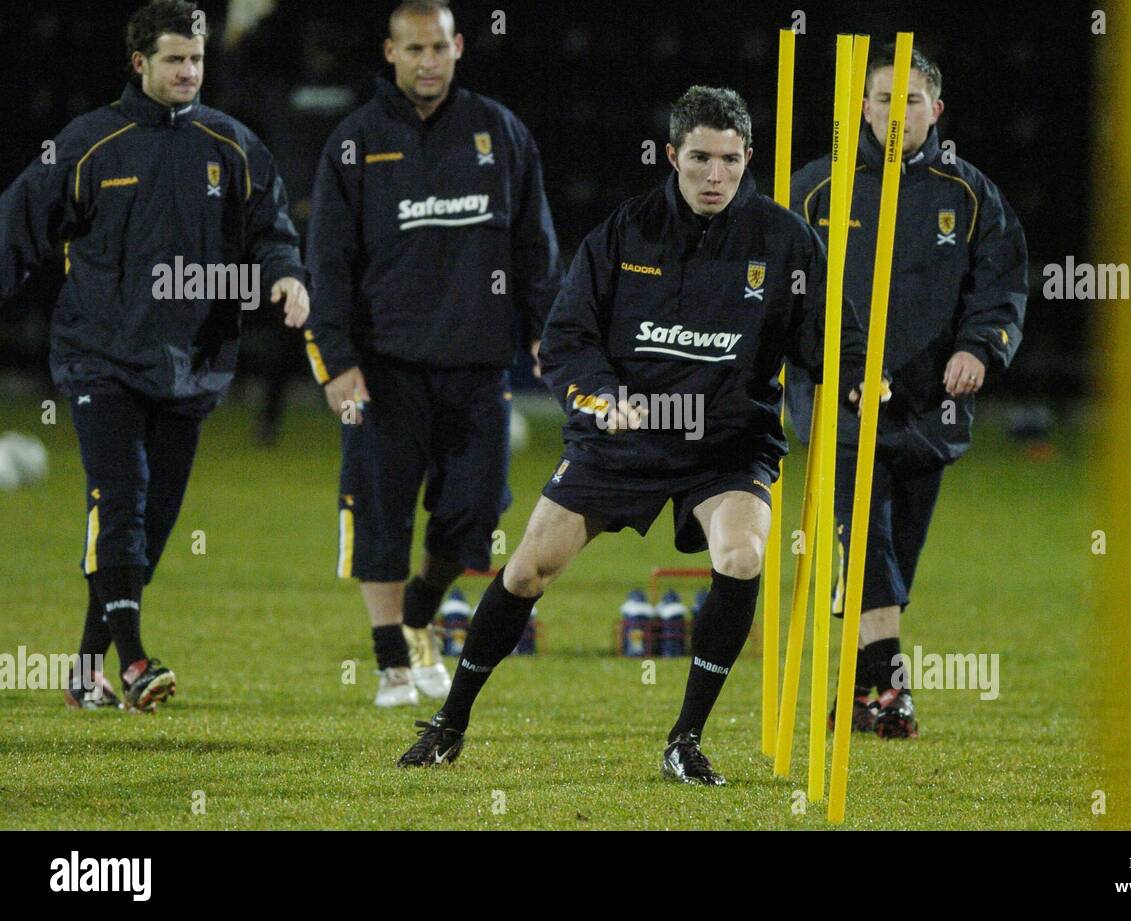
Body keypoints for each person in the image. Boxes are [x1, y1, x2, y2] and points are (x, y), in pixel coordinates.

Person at [396, 85, 865, 785]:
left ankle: (685, 738)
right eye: (700, 159)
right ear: (672, 155)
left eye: (731, 161)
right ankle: (449, 723)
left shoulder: (784, 239)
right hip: (623, 440)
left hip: (727, 441)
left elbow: (829, 335)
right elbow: (566, 338)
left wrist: (855, 374)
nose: (716, 177)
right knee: (526, 569)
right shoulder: (625, 232)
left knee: (741, 556)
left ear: (748, 157)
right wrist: (603, 396)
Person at [0, 0, 308, 711]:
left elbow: (271, 226)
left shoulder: (230, 145)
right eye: (174, 60)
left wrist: (288, 274)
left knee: (152, 525)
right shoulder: (87, 145)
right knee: (121, 503)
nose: (188, 72)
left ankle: (85, 668)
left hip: (192, 365)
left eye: (196, 60)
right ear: (139, 64)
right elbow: (17, 226)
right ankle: (135, 659)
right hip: (98, 357)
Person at [305, 0, 562, 707]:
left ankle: (422, 608)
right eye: (413, 49)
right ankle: (392, 661)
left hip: (479, 364)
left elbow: (535, 246)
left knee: (475, 512)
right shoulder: (354, 142)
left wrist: (547, 331)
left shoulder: (499, 132)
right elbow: (324, 262)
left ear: (459, 48)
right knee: (381, 513)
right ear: (390, 53)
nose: (427, 62)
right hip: (381, 367)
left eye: (439, 48)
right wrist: (336, 360)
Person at [789, 44, 1028, 739]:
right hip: (838, 399)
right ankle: (893, 691)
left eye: (912, 100)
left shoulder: (972, 193)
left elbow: (1003, 281)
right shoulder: (815, 190)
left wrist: (978, 347)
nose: (897, 113)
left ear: (937, 110)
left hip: (930, 405)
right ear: (863, 107)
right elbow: (784, 293)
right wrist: (834, 367)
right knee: (866, 538)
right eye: (885, 98)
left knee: (895, 554)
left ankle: (864, 694)